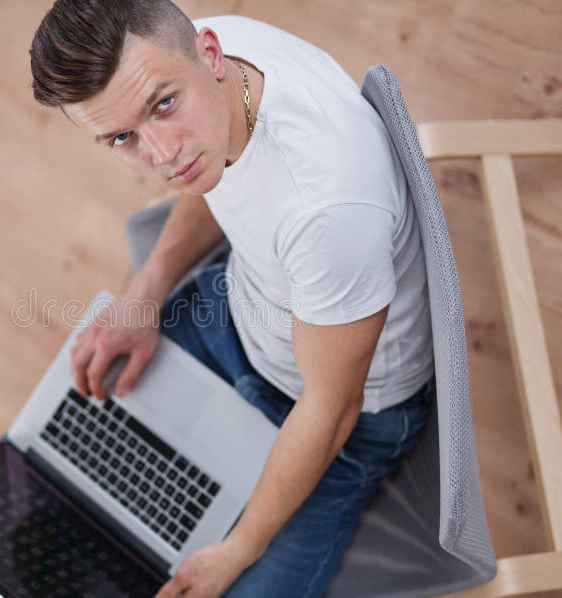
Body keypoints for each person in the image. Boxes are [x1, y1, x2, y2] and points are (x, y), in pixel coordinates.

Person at [29, 1, 436, 596]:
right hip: (238, 314)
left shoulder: (329, 212)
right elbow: (215, 171)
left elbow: (330, 409)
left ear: (211, 54)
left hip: (338, 414)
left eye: (163, 106)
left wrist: (237, 551)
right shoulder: (201, 72)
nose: (163, 155)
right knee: (66, 485)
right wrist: (144, 295)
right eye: (122, 137)